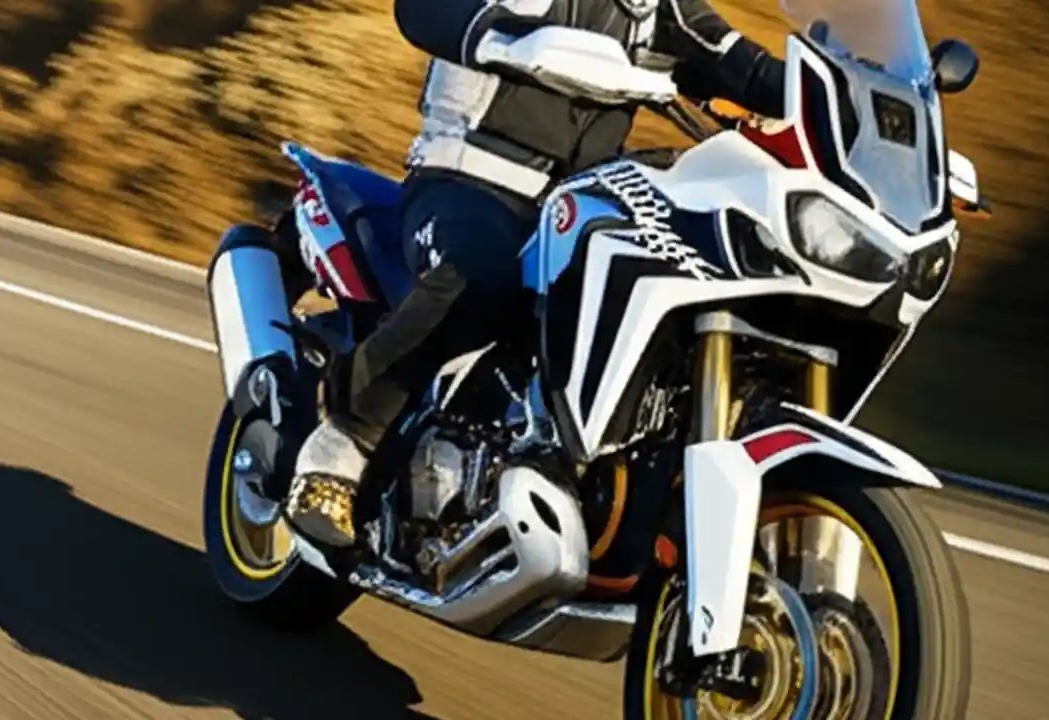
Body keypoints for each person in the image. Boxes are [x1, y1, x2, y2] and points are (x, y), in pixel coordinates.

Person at [271, 0, 788, 548]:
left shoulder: (661, 9)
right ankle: (344, 443)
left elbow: (742, 65)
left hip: (579, 205)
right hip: (467, 181)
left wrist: (827, 94)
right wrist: (504, 40)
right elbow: (422, 9)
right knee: (481, 278)